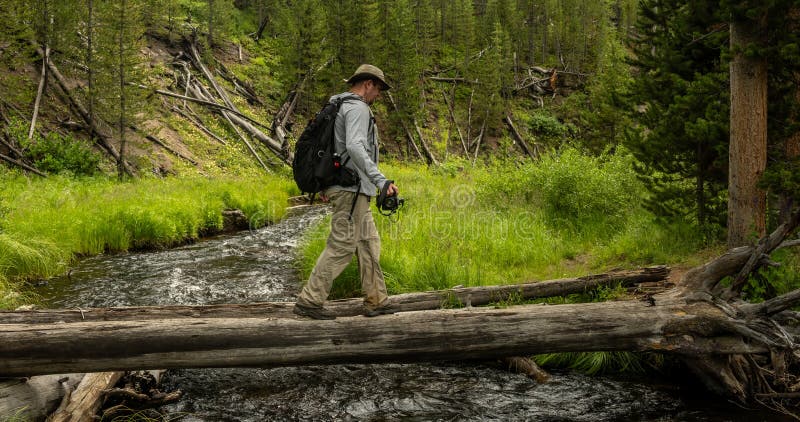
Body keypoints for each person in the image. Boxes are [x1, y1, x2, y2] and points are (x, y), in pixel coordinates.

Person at [293, 64, 399, 320]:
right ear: (368, 84)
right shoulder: (358, 108)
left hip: (353, 190)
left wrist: (328, 183)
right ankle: (310, 301)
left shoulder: (341, 105)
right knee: (341, 245)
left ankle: (376, 299)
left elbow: (336, 149)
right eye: (379, 89)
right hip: (351, 190)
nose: (379, 95)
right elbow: (354, 146)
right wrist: (382, 181)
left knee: (369, 244)